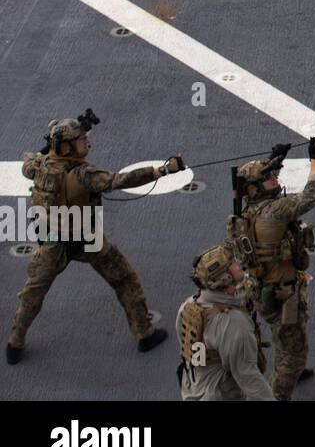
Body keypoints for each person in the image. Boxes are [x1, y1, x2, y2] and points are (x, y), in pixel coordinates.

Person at [6, 115, 183, 364]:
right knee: (124, 279)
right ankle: (144, 334)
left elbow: (30, 163)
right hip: (86, 238)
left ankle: (14, 344)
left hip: (52, 241)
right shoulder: (84, 174)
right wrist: (161, 170)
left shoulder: (38, 165)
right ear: (67, 146)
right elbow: (120, 180)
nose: (86, 143)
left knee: (33, 293)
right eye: (80, 140)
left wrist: (51, 147)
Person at [229, 137, 315, 400]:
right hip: (283, 294)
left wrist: (276, 159)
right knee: (292, 355)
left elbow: (263, 180)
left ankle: (290, 365)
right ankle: (282, 388)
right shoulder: (275, 212)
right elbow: (312, 194)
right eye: (267, 178)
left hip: (264, 290)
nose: (274, 179)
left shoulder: (247, 214)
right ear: (254, 189)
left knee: (283, 335)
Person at [177, 243, 274, 400]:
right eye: (233, 263)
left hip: (194, 390)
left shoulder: (189, 306)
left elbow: (191, 351)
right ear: (224, 278)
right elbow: (250, 379)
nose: (239, 263)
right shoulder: (234, 324)